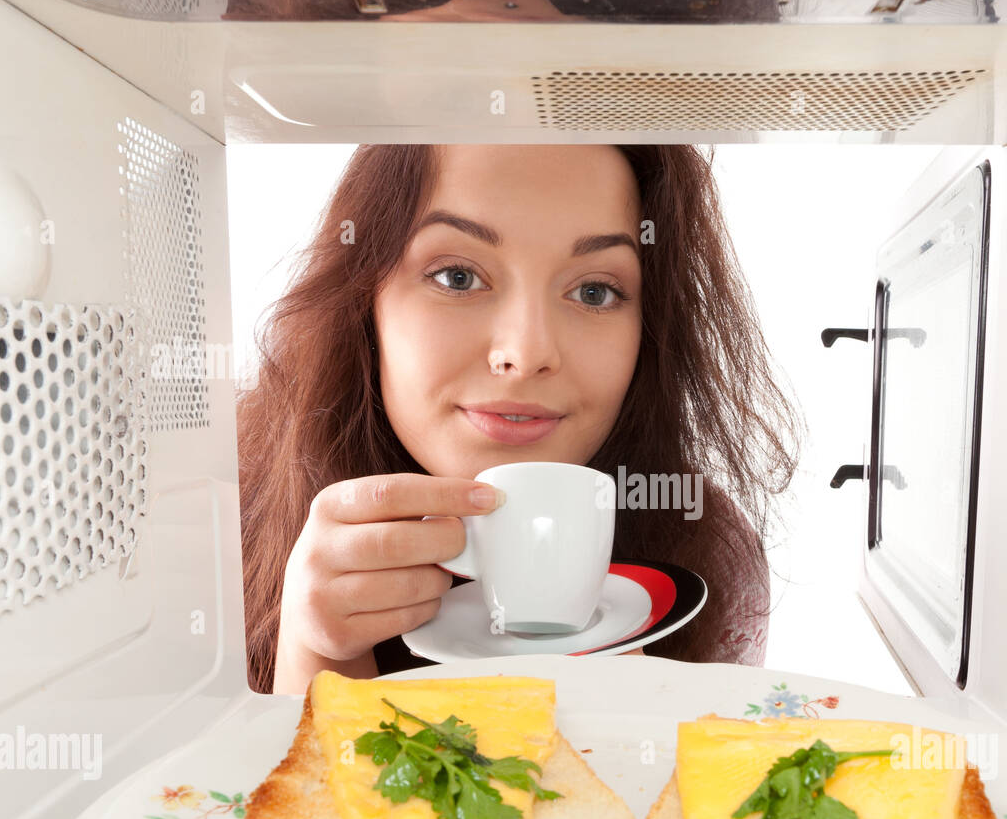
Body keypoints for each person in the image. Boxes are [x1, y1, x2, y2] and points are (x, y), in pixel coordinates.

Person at [236, 143, 800, 694]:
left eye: (595, 291)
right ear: (364, 301)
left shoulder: (706, 550)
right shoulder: (215, 519)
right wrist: (315, 658)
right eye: (457, 276)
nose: (527, 353)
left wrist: (636, 716)